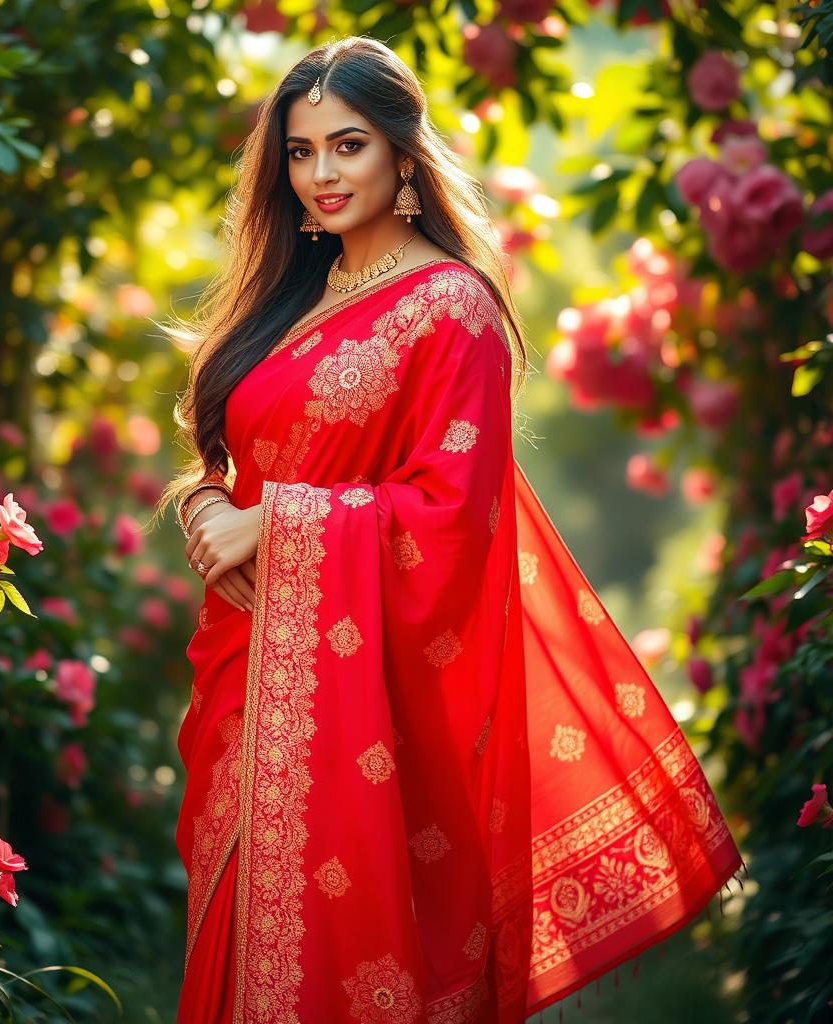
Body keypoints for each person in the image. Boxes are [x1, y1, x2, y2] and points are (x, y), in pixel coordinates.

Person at [152, 35, 744, 1024]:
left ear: (401, 154)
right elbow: (230, 460)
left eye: (347, 146)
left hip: (366, 701)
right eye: (300, 153)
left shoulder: (450, 309)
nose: (322, 174)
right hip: (252, 683)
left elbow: (452, 514)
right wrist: (204, 503)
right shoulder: (292, 298)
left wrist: (281, 528)